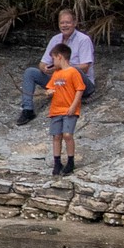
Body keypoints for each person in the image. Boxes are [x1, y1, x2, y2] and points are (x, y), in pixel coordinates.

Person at [15, 9, 94, 126]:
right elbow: (42, 63)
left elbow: (85, 67)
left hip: (81, 84)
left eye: (68, 22)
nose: (64, 25)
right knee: (30, 72)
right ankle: (27, 110)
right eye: (62, 23)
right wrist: (45, 68)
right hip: (59, 82)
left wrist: (62, 68)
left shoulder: (83, 40)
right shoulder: (55, 39)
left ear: (75, 23)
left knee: (74, 70)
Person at [45, 43, 85, 177]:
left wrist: (73, 106)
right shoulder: (56, 74)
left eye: (53, 59)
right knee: (56, 136)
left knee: (67, 135)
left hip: (69, 109)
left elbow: (80, 89)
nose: (52, 62)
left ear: (59, 56)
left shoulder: (73, 72)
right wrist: (49, 92)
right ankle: (57, 162)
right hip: (56, 109)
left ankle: (70, 161)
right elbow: (51, 87)